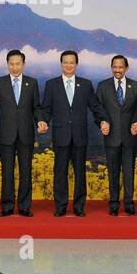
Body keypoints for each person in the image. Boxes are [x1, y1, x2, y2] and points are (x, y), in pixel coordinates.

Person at [37, 50, 103, 216]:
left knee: (80, 173)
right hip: (61, 136)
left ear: (76, 64)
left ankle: (79, 207)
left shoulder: (86, 84)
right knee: (60, 173)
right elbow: (46, 108)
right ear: (61, 64)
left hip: (80, 136)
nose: (68, 65)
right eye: (65, 62)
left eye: (72, 62)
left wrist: (102, 120)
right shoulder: (52, 84)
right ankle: (60, 207)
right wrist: (43, 120)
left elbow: (95, 106)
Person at [0, 49, 41, 216]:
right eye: (12, 64)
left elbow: (36, 107)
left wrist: (41, 121)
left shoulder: (32, 82)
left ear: (24, 64)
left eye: (18, 64)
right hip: (6, 134)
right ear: (7, 64)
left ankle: (24, 207)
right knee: (7, 171)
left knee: (25, 171)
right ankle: (7, 207)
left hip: (26, 134)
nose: (15, 67)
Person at [95, 55, 137, 216]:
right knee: (113, 172)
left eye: (121, 67)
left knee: (129, 172)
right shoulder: (102, 86)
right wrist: (102, 122)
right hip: (111, 137)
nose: (117, 70)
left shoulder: (136, 86)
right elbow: (98, 110)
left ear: (126, 68)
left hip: (130, 137)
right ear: (111, 68)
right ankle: (114, 203)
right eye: (115, 67)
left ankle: (129, 204)